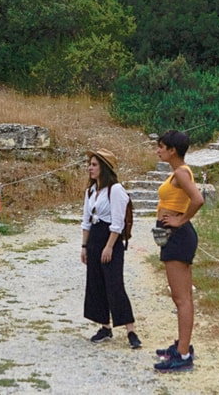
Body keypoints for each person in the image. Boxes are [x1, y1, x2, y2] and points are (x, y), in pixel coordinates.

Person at [152, 129, 204, 373]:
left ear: (173, 150)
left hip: (178, 237)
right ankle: (182, 345)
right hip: (175, 236)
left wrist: (180, 220)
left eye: (162, 146)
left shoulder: (181, 173)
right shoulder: (179, 172)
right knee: (182, 297)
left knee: (181, 298)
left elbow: (198, 199)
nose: (159, 150)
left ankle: (183, 354)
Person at [79, 148, 141, 349]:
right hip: (95, 238)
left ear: (104, 168)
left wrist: (109, 246)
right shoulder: (91, 191)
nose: (90, 168)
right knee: (96, 282)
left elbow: (117, 222)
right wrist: (84, 246)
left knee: (114, 284)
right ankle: (105, 326)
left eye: (95, 165)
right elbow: (86, 221)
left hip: (109, 238)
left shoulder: (115, 190)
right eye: (90, 164)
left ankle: (130, 329)